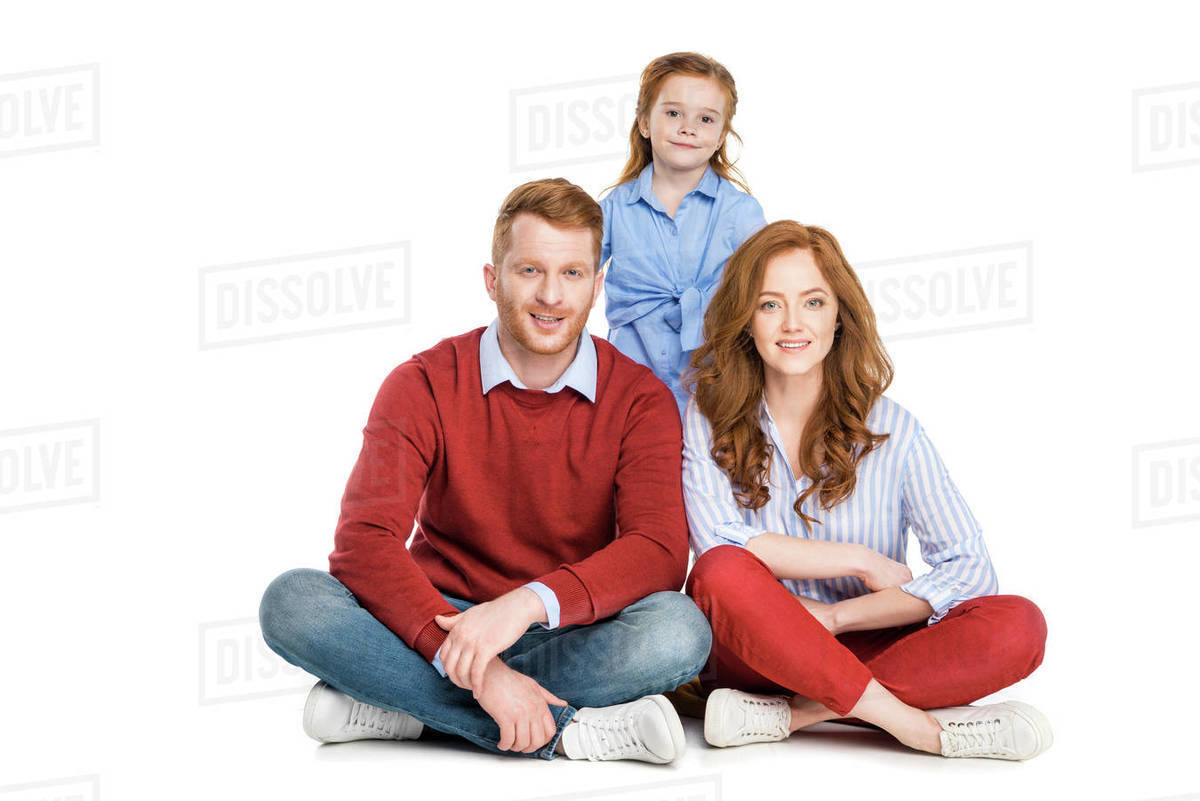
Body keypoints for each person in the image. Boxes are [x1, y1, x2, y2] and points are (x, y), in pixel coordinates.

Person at [258, 178, 711, 764]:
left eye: (572, 274)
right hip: (441, 620)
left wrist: (524, 605)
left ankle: (408, 709)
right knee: (292, 602)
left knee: (679, 630)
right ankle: (564, 729)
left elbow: (658, 550)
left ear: (597, 286)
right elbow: (364, 543)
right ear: (493, 279)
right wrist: (481, 670)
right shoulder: (421, 383)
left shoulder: (640, 398)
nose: (551, 295)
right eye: (530, 271)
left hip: (566, 627)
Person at [681, 220, 1052, 760]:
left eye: (812, 302)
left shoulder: (894, 430)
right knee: (719, 571)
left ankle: (795, 716)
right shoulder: (708, 415)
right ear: (746, 321)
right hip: (761, 651)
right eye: (769, 305)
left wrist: (836, 618)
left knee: (1020, 624)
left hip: (871, 640)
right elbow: (720, 542)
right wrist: (857, 560)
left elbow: (970, 568)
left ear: (839, 316)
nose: (792, 324)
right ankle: (919, 729)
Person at [602, 51, 766, 416]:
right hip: (627, 394)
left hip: (714, 394)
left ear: (722, 135)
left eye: (705, 119)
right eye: (673, 113)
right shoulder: (614, 208)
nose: (687, 127)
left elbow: (768, 291)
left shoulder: (741, 213)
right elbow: (572, 271)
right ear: (644, 122)